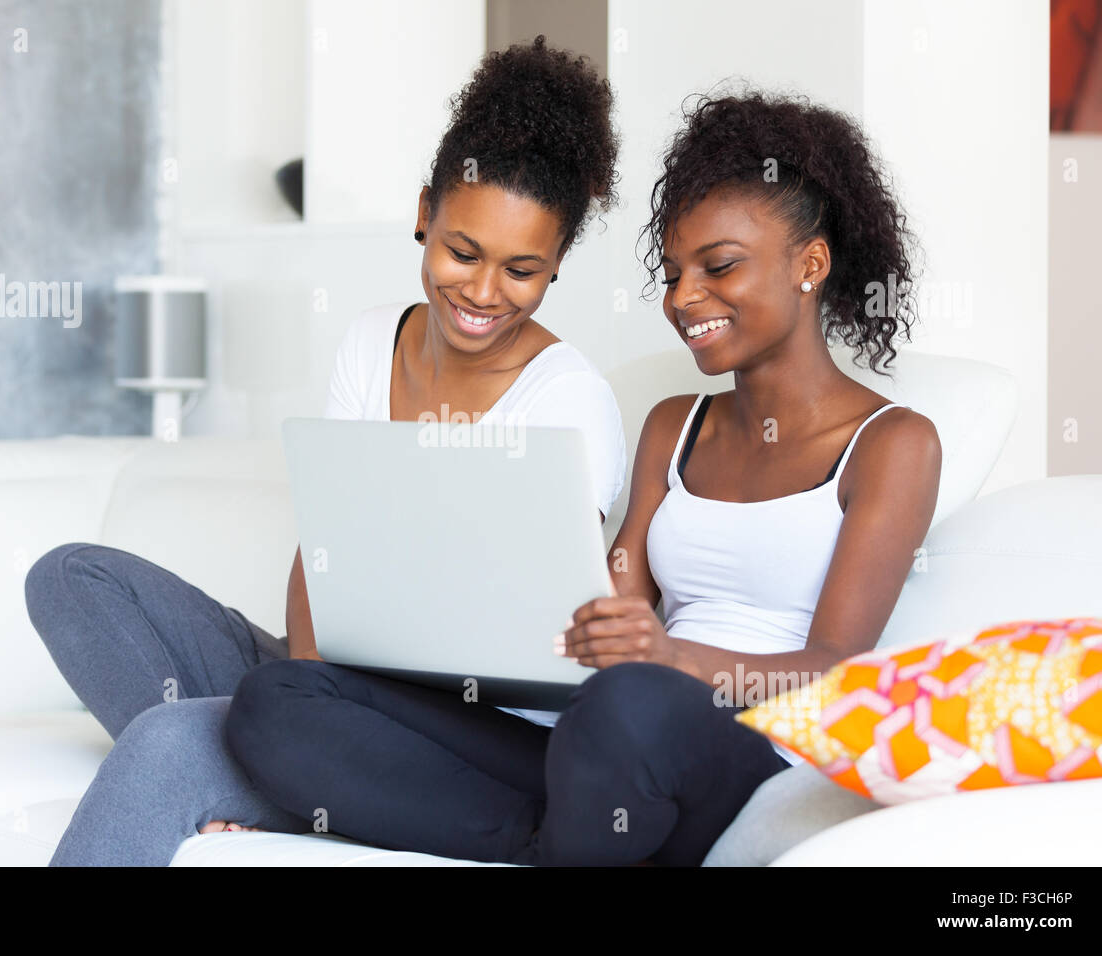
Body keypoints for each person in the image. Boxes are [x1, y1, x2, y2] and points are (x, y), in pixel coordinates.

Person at [222, 89, 944, 866]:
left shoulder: (893, 444)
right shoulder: (674, 425)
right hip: (609, 735)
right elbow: (612, 602)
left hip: (752, 751)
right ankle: (541, 843)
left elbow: (839, 666)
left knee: (629, 706)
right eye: (672, 274)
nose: (684, 299)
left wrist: (672, 661)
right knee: (281, 701)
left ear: (811, 265)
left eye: (718, 267)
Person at [24, 35, 625, 866]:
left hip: (470, 735)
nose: (485, 293)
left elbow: (531, 641)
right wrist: (310, 703)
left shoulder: (570, 401)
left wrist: (318, 713)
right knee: (70, 579)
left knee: (167, 744)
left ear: (556, 266)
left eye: (522, 270)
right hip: (325, 689)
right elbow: (325, 552)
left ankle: (254, 771)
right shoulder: (371, 342)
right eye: (462, 251)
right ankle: (290, 778)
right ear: (424, 214)